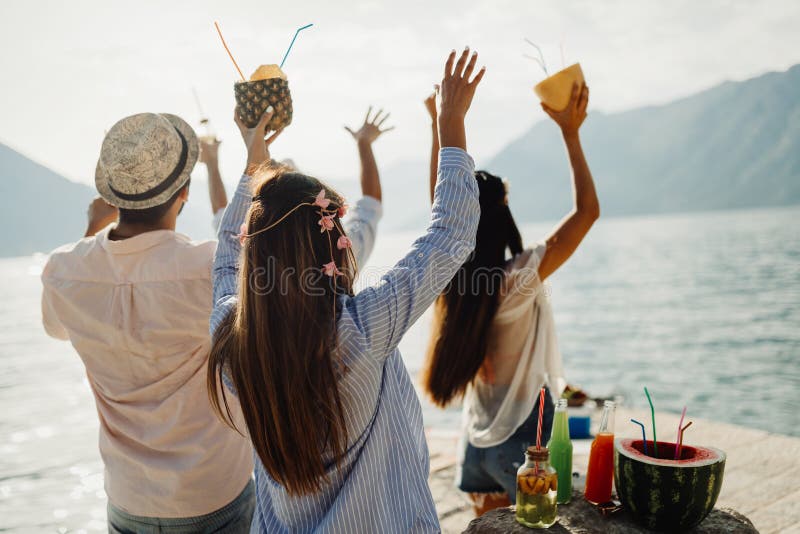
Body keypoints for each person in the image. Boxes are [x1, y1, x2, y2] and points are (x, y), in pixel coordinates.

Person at [207, 48, 485, 533]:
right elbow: (452, 235)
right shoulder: (362, 327)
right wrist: (451, 124)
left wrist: (253, 162)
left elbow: (227, 257)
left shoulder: (230, 341)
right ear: (327, 248)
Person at [422, 81, 599, 515]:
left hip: (476, 445)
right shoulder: (515, 280)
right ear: (501, 217)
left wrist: (439, 128)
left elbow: (441, 210)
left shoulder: (452, 280)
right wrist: (571, 134)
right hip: (525, 442)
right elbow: (587, 212)